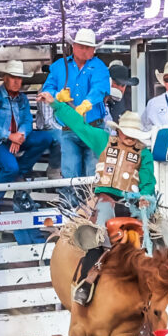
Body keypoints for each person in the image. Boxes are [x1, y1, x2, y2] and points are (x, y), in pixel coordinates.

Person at [38, 97, 155, 305]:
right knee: (98, 238)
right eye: (126, 134)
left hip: (133, 204)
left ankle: (158, 286)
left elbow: (148, 183)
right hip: (105, 200)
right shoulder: (103, 140)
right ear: (118, 132)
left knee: (153, 239)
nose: (129, 139)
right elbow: (78, 125)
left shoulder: (144, 155)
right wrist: (57, 105)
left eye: (133, 136)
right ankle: (86, 282)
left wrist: (145, 197)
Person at [0, 60, 56, 210]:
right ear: (5, 78)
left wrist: (20, 134)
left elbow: (27, 119)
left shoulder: (22, 98)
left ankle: (19, 172)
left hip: (14, 137)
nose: (16, 81)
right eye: (13, 77)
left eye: (19, 78)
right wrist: (9, 136)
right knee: (10, 168)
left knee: (46, 138)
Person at [40, 29, 110, 189]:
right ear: (74, 46)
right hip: (70, 128)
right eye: (81, 46)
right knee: (70, 173)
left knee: (94, 173)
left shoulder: (99, 67)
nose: (85, 50)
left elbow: (99, 89)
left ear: (93, 50)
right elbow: (47, 89)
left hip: (93, 127)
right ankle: (71, 211)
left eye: (88, 47)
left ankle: (92, 210)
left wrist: (87, 103)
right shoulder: (58, 67)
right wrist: (57, 95)